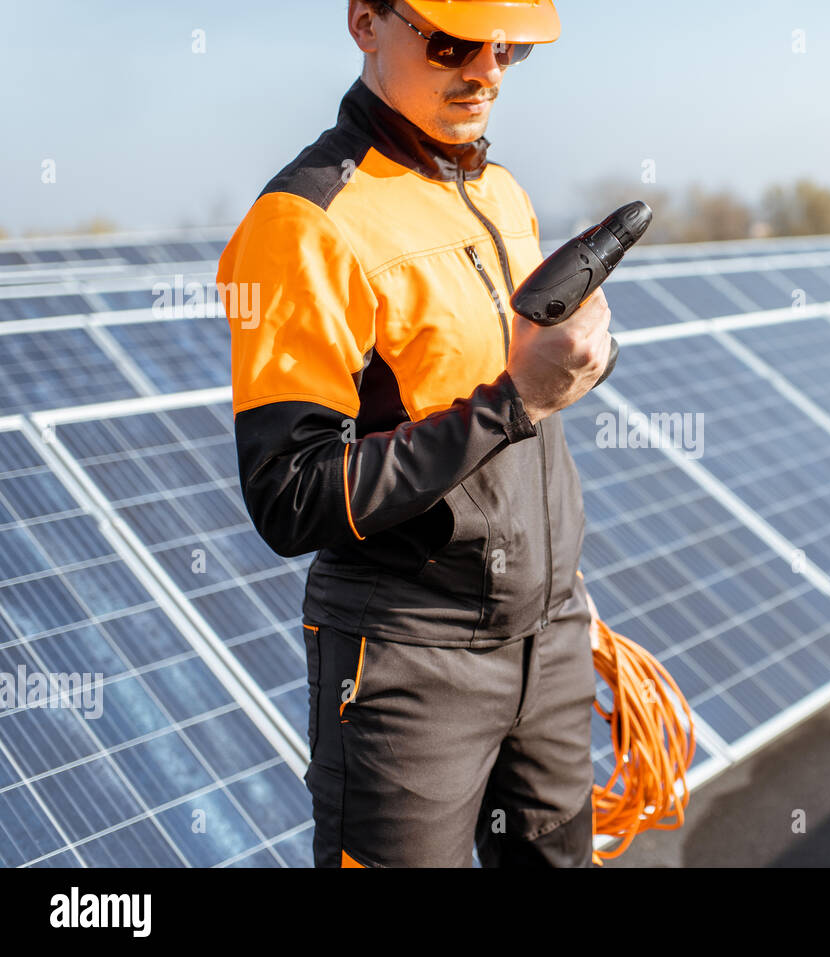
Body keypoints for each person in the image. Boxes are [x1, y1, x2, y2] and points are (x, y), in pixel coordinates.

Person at [216, 0, 613, 867]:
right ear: (365, 22)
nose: (486, 70)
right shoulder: (306, 223)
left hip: (549, 638)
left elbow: (513, 408)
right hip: (410, 660)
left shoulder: (503, 192)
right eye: (452, 42)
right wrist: (519, 398)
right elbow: (291, 496)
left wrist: (578, 366)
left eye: (505, 47)